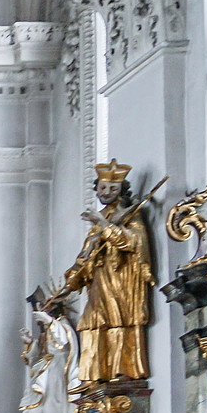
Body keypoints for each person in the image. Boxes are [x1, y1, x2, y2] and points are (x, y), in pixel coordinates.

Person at [54, 161, 154, 385]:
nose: (105, 192)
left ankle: (122, 369)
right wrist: (73, 280)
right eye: (102, 188)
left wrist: (106, 227)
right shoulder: (98, 220)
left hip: (122, 280)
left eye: (112, 188)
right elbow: (87, 254)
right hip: (99, 280)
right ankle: (95, 374)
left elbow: (136, 241)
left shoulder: (130, 214)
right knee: (93, 320)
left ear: (121, 190)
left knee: (117, 319)